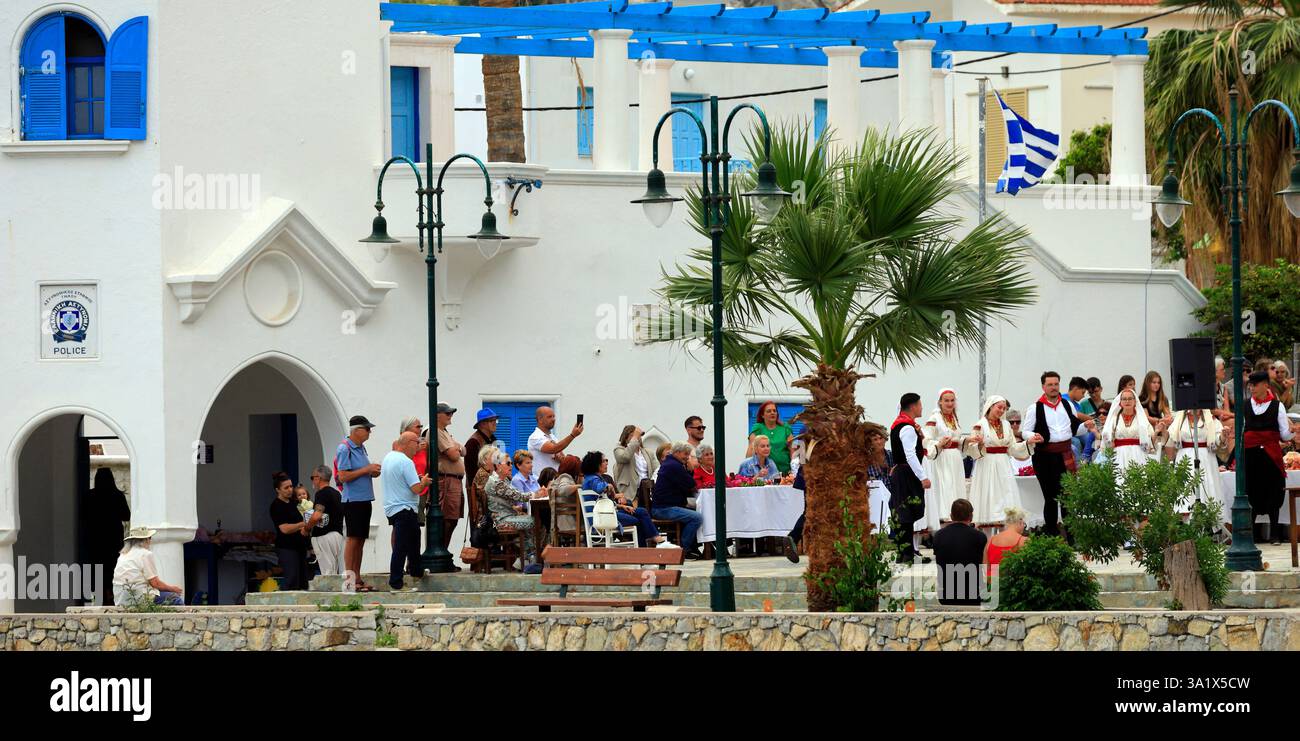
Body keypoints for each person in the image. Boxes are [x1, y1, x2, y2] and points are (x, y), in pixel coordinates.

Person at [1020, 371, 1096, 538]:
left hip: (1065, 454)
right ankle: (1052, 537)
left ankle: (1071, 537)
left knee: (1068, 498)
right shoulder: (1035, 408)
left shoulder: (1067, 405)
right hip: (1044, 457)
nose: (1053, 388)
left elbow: (1075, 428)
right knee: (1051, 498)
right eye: (1050, 385)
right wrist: (1032, 437)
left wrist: (1087, 425)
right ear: (1043, 387)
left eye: (1056, 384)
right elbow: (1025, 430)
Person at [1240, 370, 1298, 544]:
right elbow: (1242, 430)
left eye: (1255, 385)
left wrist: (1291, 432)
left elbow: (1284, 435)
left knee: (1273, 492)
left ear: (1266, 385)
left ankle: (1275, 534)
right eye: (1250, 385)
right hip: (1251, 456)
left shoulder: (1277, 406)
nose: (1252, 388)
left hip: (1270, 456)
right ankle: (1253, 534)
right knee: (1252, 491)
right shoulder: (1245, 405)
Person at [965, 395, 1031, 527]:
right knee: (989, 496)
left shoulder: (1006, 425)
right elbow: (971, 448)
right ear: (990, 407)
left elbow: (1012, 447)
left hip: (1003, 464)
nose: (1001, 411)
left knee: (1005, 494)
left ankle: (1006, 537)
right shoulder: (980, 425)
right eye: (999, 407)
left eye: (1004, 408)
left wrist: (1028, 443)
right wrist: (979, 444)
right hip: (987, 463)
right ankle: (988, 538)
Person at [579, 451, 667, 547]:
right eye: (604, 461)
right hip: (603, 518)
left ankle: (654, 540)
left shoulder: (591, 478)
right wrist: (608, 485)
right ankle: (648, 547)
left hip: (607, 514)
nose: (607, 463)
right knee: (638, 520)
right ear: (596, 464)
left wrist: (621, 506)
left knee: (641, 511)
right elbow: (600, 488)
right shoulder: (593, 479)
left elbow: (602, 502)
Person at [335, 415, 380, 592]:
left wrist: (372, 472)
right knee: (353, 539)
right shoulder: (344, 448)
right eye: (367, 429)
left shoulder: (361, 448)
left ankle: (358, 578)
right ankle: (349, 579)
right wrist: (366, 470)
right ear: (357, 430)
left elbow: (360, 471)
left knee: (360, 539)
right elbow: (343, 476)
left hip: (364, 499)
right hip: (352, 500)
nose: (370, 432)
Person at [382, 431, 432, 591]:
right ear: (409, 443)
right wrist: (424, 481)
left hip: (392, 508)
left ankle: (416, 571)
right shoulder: (406, 462)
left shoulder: (389, 457)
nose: (418, 446)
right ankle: (396, 582)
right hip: (405, 508)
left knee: (413, 539)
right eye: (417, 442)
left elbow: (400, 481)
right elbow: (416, 488)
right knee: (401, 546)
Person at [1165, 408, 1230, 528]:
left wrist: (1222, 435)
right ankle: (1187, 525)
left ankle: (1208, 526)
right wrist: (1164, 429)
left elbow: (1217, 442)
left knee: (1207, 485)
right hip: (1184, 457)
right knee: (1186, 490)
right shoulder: (1180, 419)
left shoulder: (1211, 419)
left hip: (1205, 457)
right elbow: (1170, 439)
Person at [890, 393, 931, 565]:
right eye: (920, 404)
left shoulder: (900, 424)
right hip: (908, 473)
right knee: (908, 511)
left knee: (904, 511)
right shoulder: (906, 427)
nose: (922, 407)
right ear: (913, 406)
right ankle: (906, 553)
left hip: (902, 471)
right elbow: (910, 455)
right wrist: (922, 477)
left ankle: (905, 552)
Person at [483, 448, 541, 571]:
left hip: (506, 516)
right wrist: (537, 494)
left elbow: (507, 500)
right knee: (534, 522)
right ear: (498, 466)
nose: (511, 466)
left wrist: (515, 507)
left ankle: (526, 559)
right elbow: (519, 496)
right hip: (501, 520)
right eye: (508, 463)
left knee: (532, 522)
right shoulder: (497, 482)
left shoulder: (502, 480)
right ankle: (529, 559)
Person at [83, 467, 130, 605]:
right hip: (113, 540)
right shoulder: (117, 495)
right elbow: (126, 515)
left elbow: (82, 517)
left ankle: (98, 600)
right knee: (112, 569)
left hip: (95, 540)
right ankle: (112, 599)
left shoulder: (89, 496)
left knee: (97, 569)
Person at [921, 388, 965, 533]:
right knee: (945, 490)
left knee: (955, 489)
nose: (950, 403)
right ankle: (944, 531)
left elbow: (957, 438)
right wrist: (939, 444)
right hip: (942, 458)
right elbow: (926, 439)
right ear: (940, 402)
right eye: (946, 400)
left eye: (952, 400)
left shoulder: (955, 418)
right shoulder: (935, 418)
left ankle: (957, 523)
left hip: (955, 459)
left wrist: (966, 440)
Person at [650, 442, 705, 557]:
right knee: (697, 517)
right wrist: (690, 469)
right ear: (677, 453)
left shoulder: (671, 463)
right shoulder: (674, 465)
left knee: (696, 513)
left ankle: (692, 547)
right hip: (663, 509)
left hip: (664, 507)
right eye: (686, 454)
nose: (687, 457)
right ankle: (684, 550)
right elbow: (691, 484)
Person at [931, 499, 987, 606]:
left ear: (951, 516)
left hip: (946, 595)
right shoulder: (979, 536)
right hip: (973, 594)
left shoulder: (939, 535)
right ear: (971, 517)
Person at [112, 527, 184, 606]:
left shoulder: (123, 555)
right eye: (150, 538)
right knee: (175, 599)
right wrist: (172, 589)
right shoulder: (145, 554)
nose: (150, 541)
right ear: (146, 540)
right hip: (138, 596)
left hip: (121, 598)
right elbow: (155, 583)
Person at [1100, 387, 1159, 484]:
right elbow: (1106, 439)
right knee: (1120, 483)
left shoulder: (1142, 420)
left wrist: (1156, 431)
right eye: (1124, 399)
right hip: (1119, 455)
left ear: (1135, 401)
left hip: (1138, 454)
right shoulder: (1114, 419)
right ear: (1120, 402)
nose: (1127, 401)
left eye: (1130, 398)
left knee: (1139, 482)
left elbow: (1149, 442)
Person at [269, 471, 310, 591]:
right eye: (286, 487)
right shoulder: (276, 506)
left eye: (291, 486)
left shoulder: (295, 503)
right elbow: (284, 529)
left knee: (303, 580)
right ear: (278, 490)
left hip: (301, 546)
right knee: (292, 579)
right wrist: (303, 524)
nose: (290, 490)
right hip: (287, 547)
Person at [434, 403, 466, 551]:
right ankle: (441, 551)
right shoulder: (436, 431)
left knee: (452, 519)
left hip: (454, 480)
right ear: (437, 415)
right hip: (446, 480)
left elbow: (463, 450)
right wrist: (455, 446)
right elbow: (453, 455)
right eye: (447, 413)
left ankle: (443, 551)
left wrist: (456, 446)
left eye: (451, 413)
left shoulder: (444, 432)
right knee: (447, 519)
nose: (450, 416)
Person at [305, 465, 345, 576]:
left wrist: (306, 528)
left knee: (327, 572)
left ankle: (330, 592)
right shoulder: (337, 494)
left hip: (324, 536)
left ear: (318, 478)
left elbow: (317, 515)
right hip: (337, 535)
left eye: (312, 477)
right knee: (333, 569)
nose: (312, 481)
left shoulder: (322, 493)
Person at [613, 425, 659, 509]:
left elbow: (656, 470)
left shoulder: (648, 452)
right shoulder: (619, 449)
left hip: (646, 490)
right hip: (630, 491)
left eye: (638, 436)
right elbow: (625, 457)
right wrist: (634, 440)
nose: (637, 438)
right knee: (636, 515)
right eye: (633, 436)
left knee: (646, 514)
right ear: (625, 437)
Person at [528, 406, 582, 473]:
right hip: (541, 480)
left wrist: (561, 459)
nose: (553, 419)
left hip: (554, 479)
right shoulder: (535, 437)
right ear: (540, 420)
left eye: (554, 416)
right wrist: (572, 435)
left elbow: (562, 456)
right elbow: (554, 449)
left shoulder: (552, 437)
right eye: (549, 417)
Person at [747, 401, 796, 474]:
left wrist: (794, 471)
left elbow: (793, 450)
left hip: (785, 473)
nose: (772, 413)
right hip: (765, 474)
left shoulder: (786, 428)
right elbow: (751, 449)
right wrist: (749, 468)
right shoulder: (758, 428)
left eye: (774, 411)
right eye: (768, 411)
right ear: (762, 415)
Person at [984, 506, 1028, 580]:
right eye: (1024, 524)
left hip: (992, 585)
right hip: (1012, 586)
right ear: (1020, 522)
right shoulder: (1023, 541)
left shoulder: (991, 540)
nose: (1024, 527)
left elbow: (985, 568)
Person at [463, 408, 499, 495]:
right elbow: (471, 470)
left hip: (492, 485)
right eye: (491, 421)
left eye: (496, 420)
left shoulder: (493, 439)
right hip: (478, 488)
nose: (495, 423)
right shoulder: (473, 442)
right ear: (482, 424)